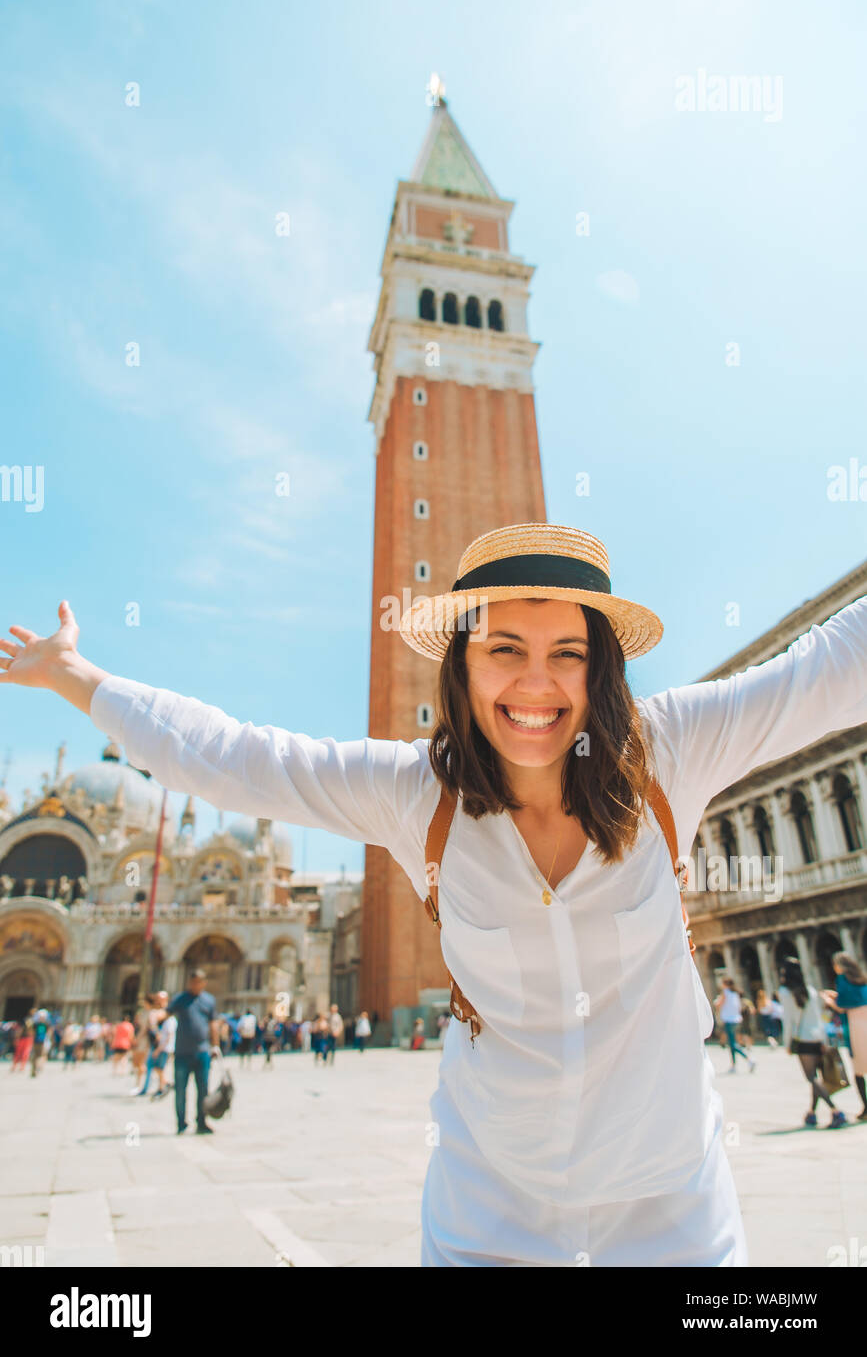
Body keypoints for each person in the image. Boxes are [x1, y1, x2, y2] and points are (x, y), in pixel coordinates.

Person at [2, 525, 865, 1267]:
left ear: (599, 670)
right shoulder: (412, 795)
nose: (535, 686)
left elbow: (831, 665)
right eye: (504, 651)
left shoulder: (671, 752)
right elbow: (234, 756)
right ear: (460, 667)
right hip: (488, 1221)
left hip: (676, 1217)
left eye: (567, 654)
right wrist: (78, 677)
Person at [778, 957, 845, 1129]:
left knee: (811, 1078)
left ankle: (835, 1111)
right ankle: (811, 1113)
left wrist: (787, 1044)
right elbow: (818, 1017)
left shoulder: (785, 993)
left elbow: (788, 1021)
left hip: (802, 1040)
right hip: (817, 1037)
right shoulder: (810, 990)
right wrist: (824, 1039)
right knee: (816, 1078)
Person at [167, 968, 220, 1134]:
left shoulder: (209, 1000)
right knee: (181, 1090)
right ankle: (181, 1123)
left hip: (202, 1052)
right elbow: (166, 1013)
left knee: (203, 1089)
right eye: (192, 982)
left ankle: (202, 1122)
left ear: (204, 983)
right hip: (182, 1052)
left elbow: (213, 1023)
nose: (195, 985)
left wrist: (216, 1045)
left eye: (198, 982)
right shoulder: (180, 999)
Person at [822, 953, 867, 1122]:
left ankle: (866, 1108)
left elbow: (841, 1006)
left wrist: (828, 999)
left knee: (859, 1071)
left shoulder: (842, 979)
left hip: (856, 1026)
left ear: (840, 965)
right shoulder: (861, 978)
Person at [713, 979, 756, 1074]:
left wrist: (716, 1002)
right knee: (732, 1043)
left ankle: (749, 1059)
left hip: (728, 1020)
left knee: (732, 1044)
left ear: (726, 984)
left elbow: (718, 1004)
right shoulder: (735, 993)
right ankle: (733, 1065)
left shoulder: (725, 992)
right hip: (736, 1019)